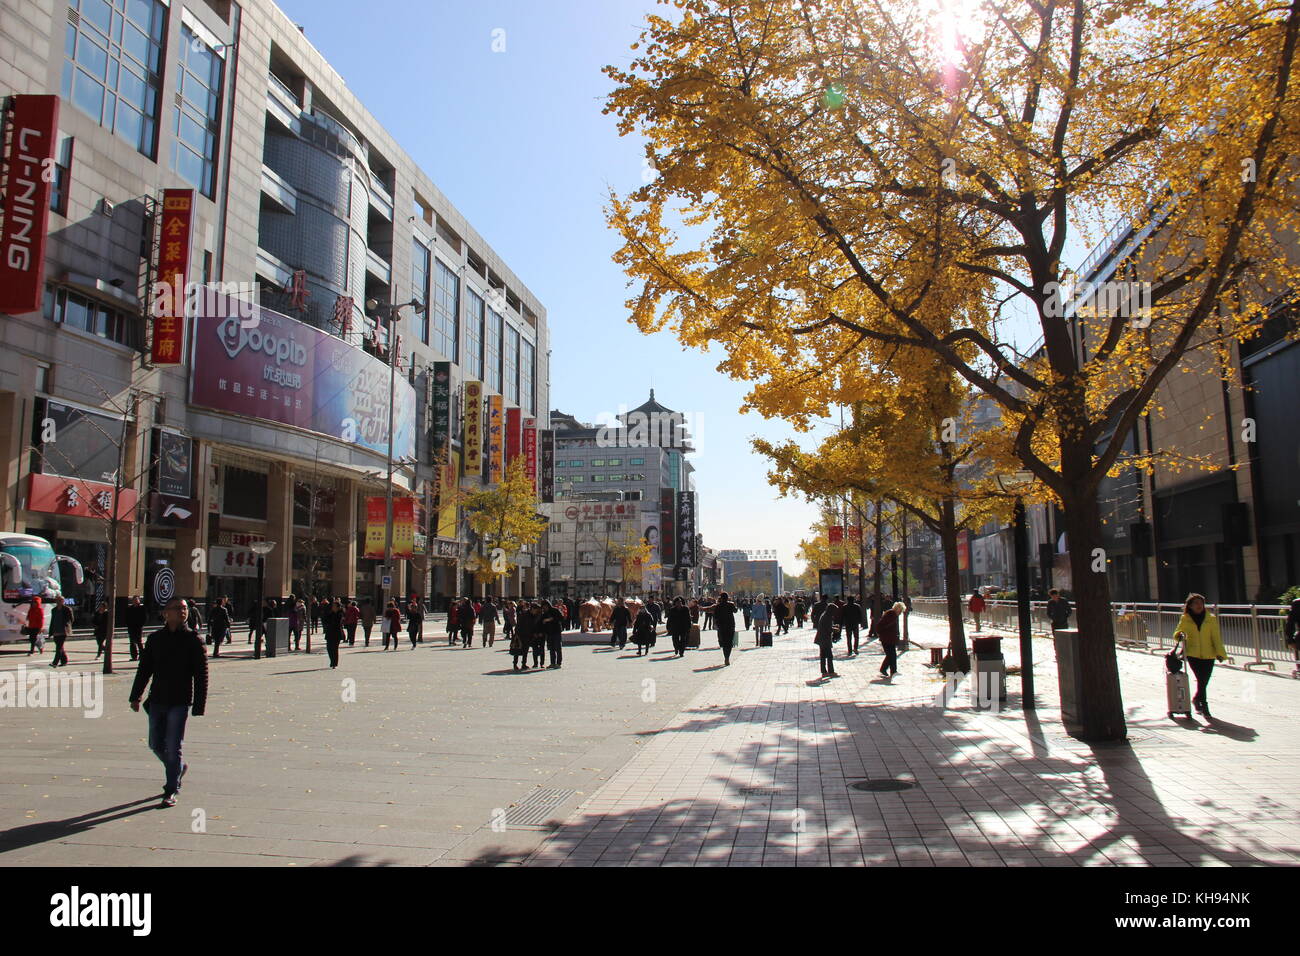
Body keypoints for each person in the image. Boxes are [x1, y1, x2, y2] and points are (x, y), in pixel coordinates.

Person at [129, 598, 208, 808]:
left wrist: (199, 704)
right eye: (177, 608)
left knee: (173, 746)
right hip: (157, 699)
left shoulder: (193, 639)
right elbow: (144, 669)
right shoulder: (156, 639)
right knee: (155, 744)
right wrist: (136, 695)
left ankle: (171, 789)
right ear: (166, 613)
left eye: (185, 608)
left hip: (180, 701)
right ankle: (178, 768)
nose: (183, 611)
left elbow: (201, 675)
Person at [1174, 593, 1227, 718]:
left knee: (1204, 681)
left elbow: (1216, 637)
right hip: (1193, 654)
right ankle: (1204, 705)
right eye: (1195, 603)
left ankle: (1197, 699)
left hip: (1209, 654)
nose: (1199, 606)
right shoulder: (1185, 618)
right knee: (1201, 679)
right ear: (1190, 606)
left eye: (1201, 603)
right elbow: (1177, 632)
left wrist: (1220, 653)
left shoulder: (1211, 619)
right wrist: (1179, 635)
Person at [814, 600, 839, 678]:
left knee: (823, 655)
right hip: (824, 638)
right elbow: (828, 629)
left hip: (821, 638)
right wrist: (835, 629)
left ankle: (824, 671)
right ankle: (830, 671)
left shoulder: (824, 615)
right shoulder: (827, 617)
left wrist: (834, 627)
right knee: (829, 655)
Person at [713, 591, 739, 666]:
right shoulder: (731, 605)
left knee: (724, 643)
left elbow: (715, 616)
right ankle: (727, 657)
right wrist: (734, 603)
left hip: (722, 626)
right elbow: (736, 611)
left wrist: (716, 624)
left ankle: (726, 657)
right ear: (727, 598)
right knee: (729, 642)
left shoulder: (718, 606)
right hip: (730, 625)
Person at [48, 595, 72, 667]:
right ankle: (64, 661)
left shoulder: (67, 609)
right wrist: (51, 631)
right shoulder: (54, 610)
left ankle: (55, 662)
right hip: (55, 630)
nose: (59, 602)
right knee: (60, 647)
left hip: (63, 631)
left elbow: (71, 619)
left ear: (63, 601)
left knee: (59, 647)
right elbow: (52, 621)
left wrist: (67, 626)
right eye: (57, 600)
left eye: (60, 600)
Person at [540, 599, 565, 668]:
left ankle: (558, 663)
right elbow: (542, 622)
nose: (545, 607)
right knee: (551, 648)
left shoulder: (555, 610)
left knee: (558, 647)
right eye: (543, 606)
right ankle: (552, 663)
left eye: (545, 606)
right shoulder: (544, 613)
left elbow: (562, 618)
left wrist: (552, 619)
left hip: (556, 631)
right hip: (549, 632)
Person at [511, 602, 534, 671]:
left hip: (523, 634)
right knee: (521, 649)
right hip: (522, 635)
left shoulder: (526, 615)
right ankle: (520, 664)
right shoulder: (526, 615)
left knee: (520, 650)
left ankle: (519, 664)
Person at [324, 597, 345, 668]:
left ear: (338, 607)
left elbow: (337, 623)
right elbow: (325, 620)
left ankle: (334, 663)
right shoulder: (330, 613)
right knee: (329, 648)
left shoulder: (340, 614)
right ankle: (332, 661)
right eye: (332, 606)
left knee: (335, 648)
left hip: (336, 633)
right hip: (329, 633)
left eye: (334, 606)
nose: (333, 607)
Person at [125, 595, 147, 660]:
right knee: (132, 642)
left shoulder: (142, 608)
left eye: (136, 600)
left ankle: (142, 656)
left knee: (139, 642)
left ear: (139, 601)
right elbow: (127, 617)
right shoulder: (129, 609)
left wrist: (141, 625)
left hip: (138, 628)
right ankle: (134, 656)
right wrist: (128, 625)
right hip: (131, 628)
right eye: (134, 600)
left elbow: (144, 618)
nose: (135, 601)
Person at [530, 601, 549, 668]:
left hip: (542, 635)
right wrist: (533, 633)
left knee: (542, 649)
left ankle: (542, 663)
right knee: (534, 649)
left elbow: (545, 626)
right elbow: (530, 626)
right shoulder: (531, 616)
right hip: (534, 635)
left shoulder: (543, 616)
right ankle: (535, 663)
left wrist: (542, 633)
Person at [1286, 597, 1300, 678]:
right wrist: (1290, 640)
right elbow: (1290, 624)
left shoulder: (1297, 603)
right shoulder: (1298, 603)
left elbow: (1290, 623)